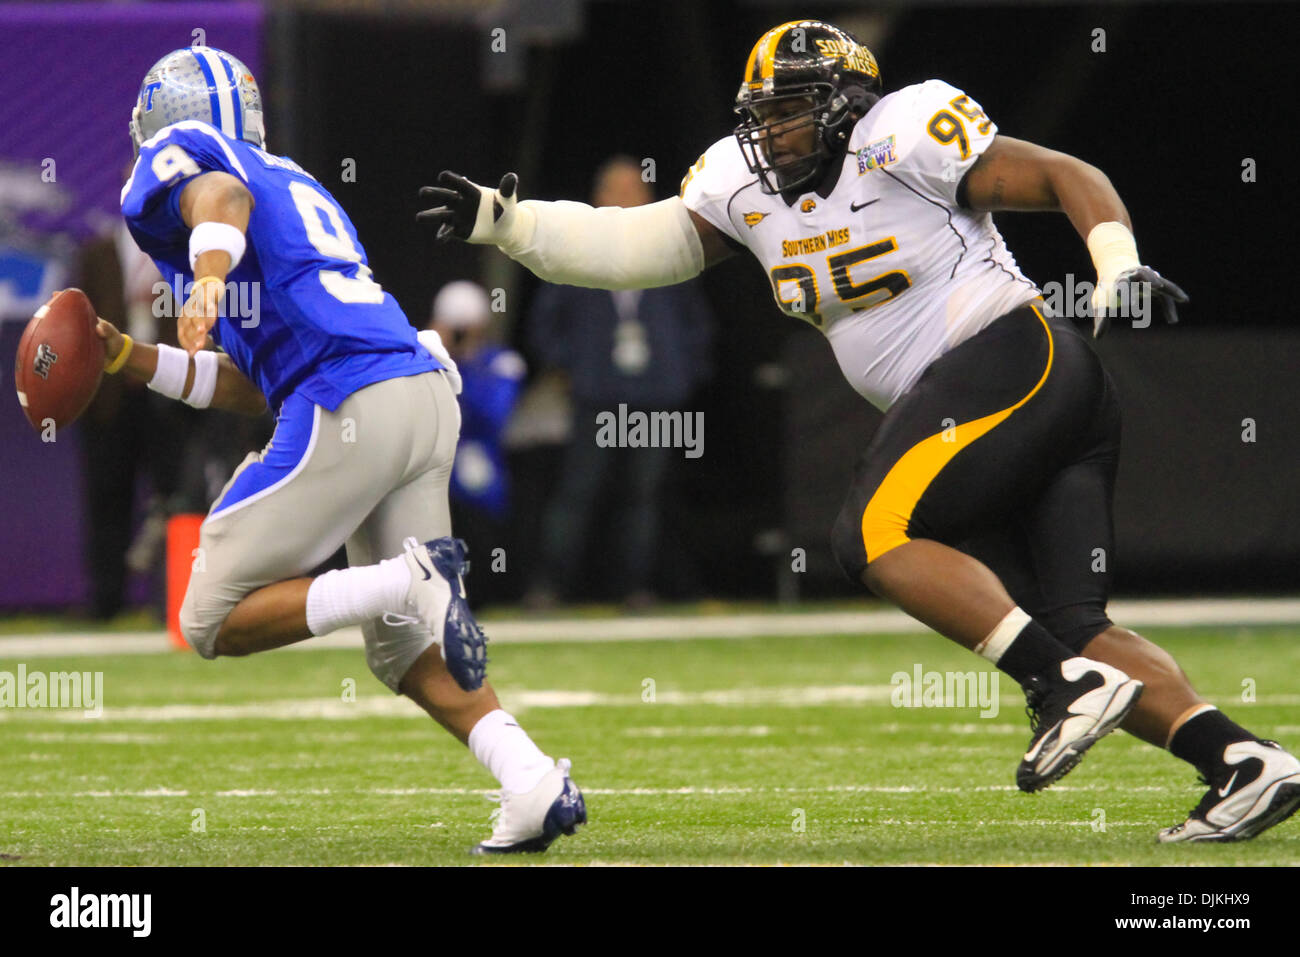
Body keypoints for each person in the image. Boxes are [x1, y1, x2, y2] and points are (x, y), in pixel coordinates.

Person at [417, 20, 1300, 842]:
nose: (772, 132)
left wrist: (1115, 262)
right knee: (1073, 622)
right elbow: (636, 245)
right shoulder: (741, 183)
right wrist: (513, 223)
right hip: (1009, 406)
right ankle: (1239, 760)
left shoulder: (904, 133)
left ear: (845, 105)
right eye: (761, 112)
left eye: (791, 109)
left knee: (872, 533)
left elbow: (1065, 173)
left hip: (1014, 360)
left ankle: (1060, 682)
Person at [99, 46, 585, 854]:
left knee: (207, 614)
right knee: (403, 648)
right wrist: (129, 359)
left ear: (167, 120)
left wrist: (210, 275)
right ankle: (530, 779)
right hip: (420, 395)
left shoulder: (186, 174)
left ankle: (407, 576)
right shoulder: (297, 182)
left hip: (351, 398)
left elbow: (216, 193)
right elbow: (253, 384)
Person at [524, 157, 713, 608]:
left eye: (635, 190)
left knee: (644, 496)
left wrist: (683, 373)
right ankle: (550, 587)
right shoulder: (577, 251)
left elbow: (697, 323)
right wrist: (570, 367)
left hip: (656, 395)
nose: (627, 199)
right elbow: (545, 324)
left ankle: (634, 587)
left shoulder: (670, 251)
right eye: (616, 190)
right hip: (596, 394)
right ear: (598, 198)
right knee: (577, 492)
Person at [427, 280, 526, 606]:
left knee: (482, 529)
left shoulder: (501, 362)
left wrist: (463, 363)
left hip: (479, 460)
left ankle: (488, 596)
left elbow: (493, 415)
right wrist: (433, 352)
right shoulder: (426, 357)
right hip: (434, 461)